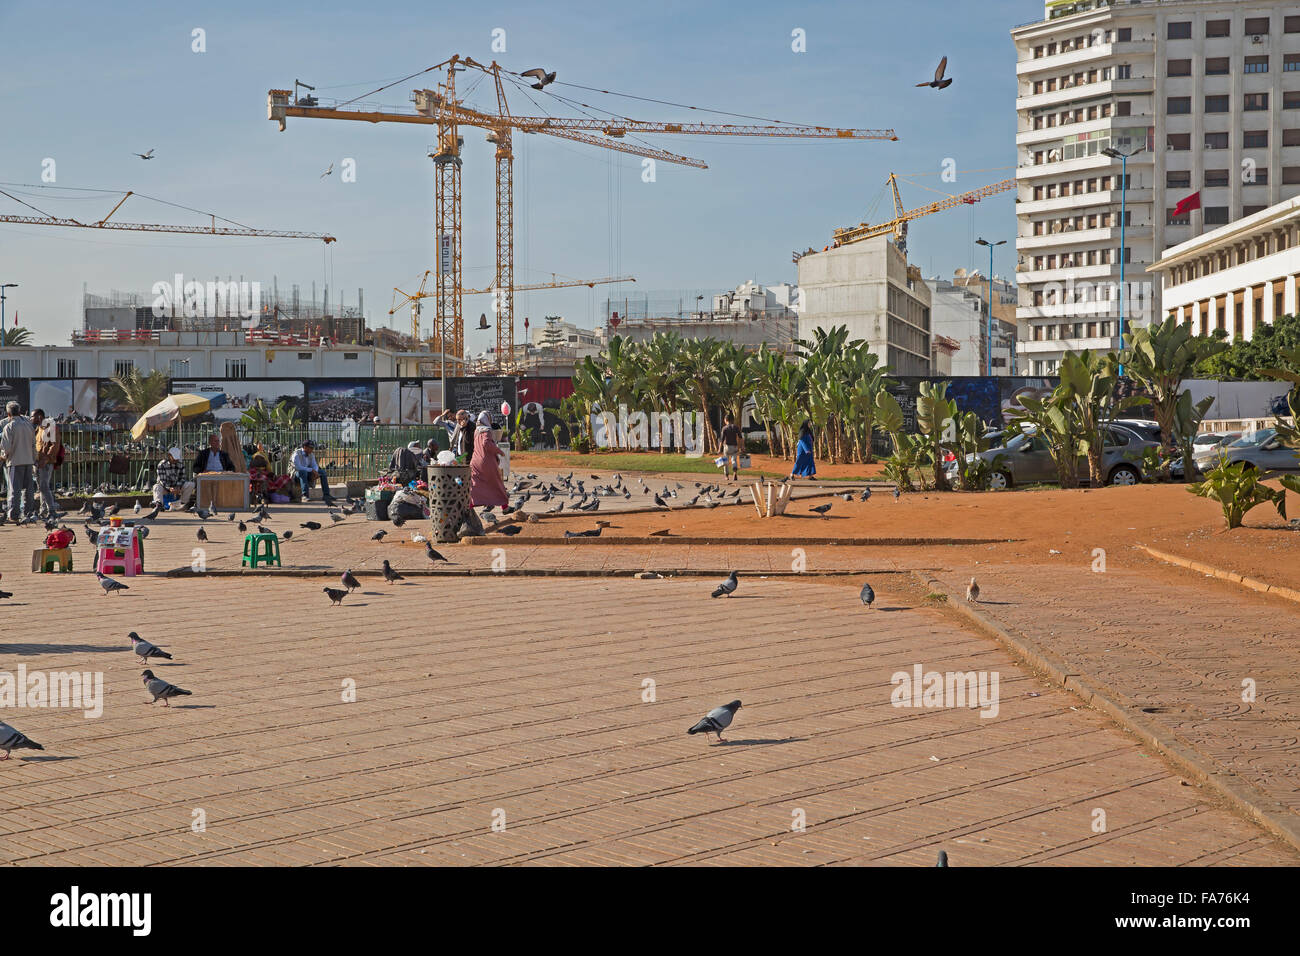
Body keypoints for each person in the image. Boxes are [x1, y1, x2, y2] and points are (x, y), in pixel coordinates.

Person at [0, 401, 37, 521]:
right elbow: (33, 445)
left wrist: (3, 457)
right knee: (29, 489)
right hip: (28, 460)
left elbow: (6, 448)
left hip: (15, 462)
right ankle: (29, 512)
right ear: (19, 411)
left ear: (8, 413)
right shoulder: (28, 425)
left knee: (14, 489)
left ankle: (14, 514)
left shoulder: (9, 427)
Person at [470, 410, 509, 509]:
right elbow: (486, 444)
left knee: (476, 485)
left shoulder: (476, 431)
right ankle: (504, 506)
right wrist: (498, 451)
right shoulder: (486, 430)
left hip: (475, 461)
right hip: (487, 462)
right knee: (496, 483)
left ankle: (471, 505)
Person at [32, 408, 63, 519]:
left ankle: (51, 510)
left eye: (33, 417)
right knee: (41, 487)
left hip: (45, 462)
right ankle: (43, 510)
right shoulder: (39, 428)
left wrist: (46, 458)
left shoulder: (49, 426)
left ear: (39, 417)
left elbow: (54, 445)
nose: (31, 419)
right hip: (38, 462)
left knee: (44, 486)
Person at [290, 439, 336, 505]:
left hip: (307, 473)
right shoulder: (296, 454)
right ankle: (305, 495)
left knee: (322, 472)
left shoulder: (311, 454)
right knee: (303, 472)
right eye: (310, 447)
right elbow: (298, 468)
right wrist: (311, 470)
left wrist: (315, 472)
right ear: (305, 447)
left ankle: (326, 495)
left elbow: (314, 465)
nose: (312, 449)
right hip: (296, 474)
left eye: (312, 448)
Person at [719, 413, 742, 482]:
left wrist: (719, 449)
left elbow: (721, 440)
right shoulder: (736, 427)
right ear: (732, 420)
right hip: (734, 446)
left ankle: (726, 476)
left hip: (727, 447)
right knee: (734, 460)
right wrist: (742, 446)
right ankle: (735, 473)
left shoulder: (724, 428)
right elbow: (740, 437)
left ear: (726, 420)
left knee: (725, 462)